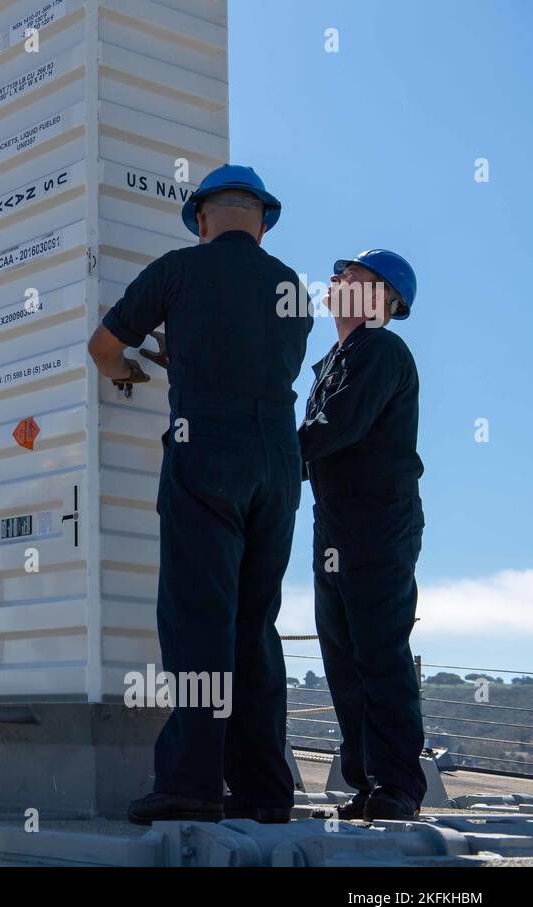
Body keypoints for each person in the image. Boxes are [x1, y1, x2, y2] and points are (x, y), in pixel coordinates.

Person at [88, 164, 311, 825]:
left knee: (197, 620)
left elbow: (102, 347)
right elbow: (256, 355)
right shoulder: (291, 286)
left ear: (204, 217)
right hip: (278, 456)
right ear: (262, 221)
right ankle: (266, 789)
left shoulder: (178, 270)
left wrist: (132, 369)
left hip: (205, 446)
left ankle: (189, 782)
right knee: (255, 625)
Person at [300, 249, 425, 822]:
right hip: (336, 521)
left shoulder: (380, 350)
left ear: (383, 298)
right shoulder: (334, 359)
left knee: (377, 650)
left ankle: (396, 785)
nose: (336, 282)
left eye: (352, 277)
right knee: (344, 656)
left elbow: (337, 427)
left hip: (378, 522)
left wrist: (260, 451)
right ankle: (368, 784)